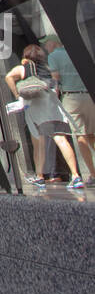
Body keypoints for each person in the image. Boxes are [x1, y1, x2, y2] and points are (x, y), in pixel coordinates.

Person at [5, 44, 83, 191]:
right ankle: (75, 175)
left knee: (38, 142)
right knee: (60, 139)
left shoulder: (24, 68)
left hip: (35, 107)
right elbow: (56, 84)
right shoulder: (48, 68)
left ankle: (40, 177)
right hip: (52, 105)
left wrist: (16, 94)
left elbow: (9, 76)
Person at [46, 35, 95, 185]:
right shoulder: (77, 51)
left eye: (47, 44)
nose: (46, 47)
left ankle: (92, 174)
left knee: (80, 136)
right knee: (93, 135)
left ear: (53, 44)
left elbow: (56, 77)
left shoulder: (53, 56)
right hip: (89, 95)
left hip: (71, 97)